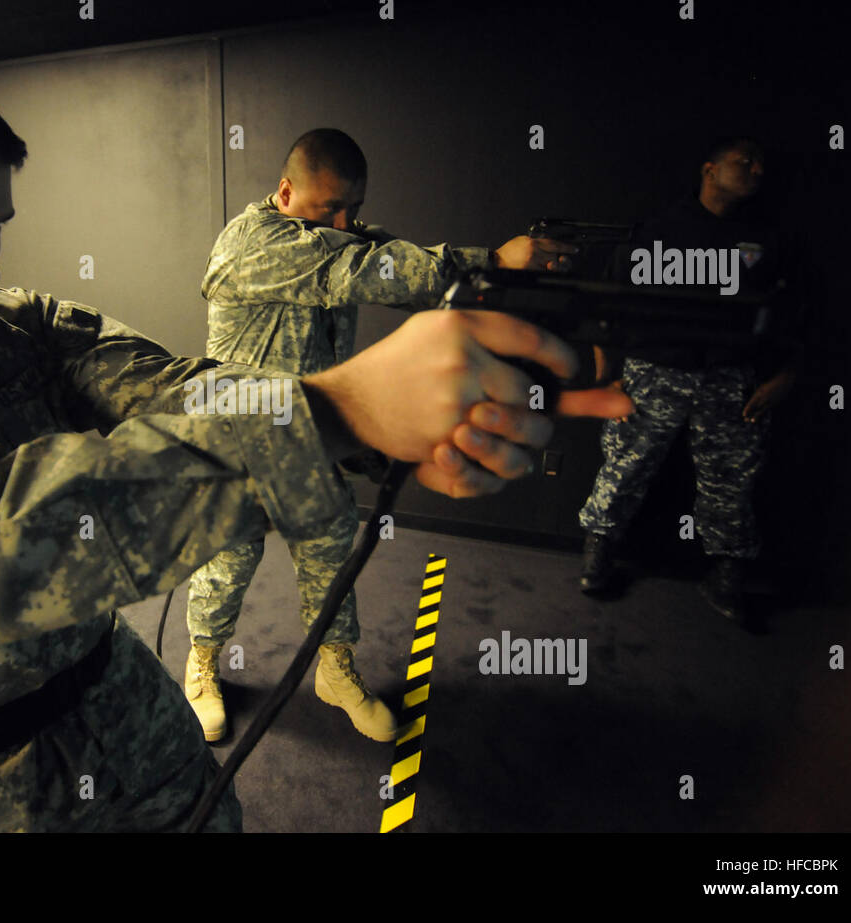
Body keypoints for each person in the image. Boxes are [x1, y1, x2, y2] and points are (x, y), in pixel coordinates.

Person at [0, 29, 630, 832]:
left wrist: (376, 430)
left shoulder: (16, 323)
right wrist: (333, 410)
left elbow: (181, 393)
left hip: (130, 720)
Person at [183, 128, 582, 743]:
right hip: (241, 436)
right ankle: (204, 667)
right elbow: (368, 271)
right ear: (286, 191)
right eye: (329, 208)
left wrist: (494, 272)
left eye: (354, 210)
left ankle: (336, 673)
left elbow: (398, 257)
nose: (345, 221)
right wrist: (495, 260)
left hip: (314, 433)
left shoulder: (336, 235)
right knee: (227, 562)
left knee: (331, 564)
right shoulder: (252, 243)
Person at [577, 137, 801, 621]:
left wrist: (785, 376)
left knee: (731, 482)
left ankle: (727, 575)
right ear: (709, 170)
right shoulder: (657, 232)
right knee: (625, 468)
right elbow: (605, 305)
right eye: (745, 162)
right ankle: (597, 555)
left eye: (762, 164)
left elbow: (795, 318)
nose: (757, 170)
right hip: (654, 372)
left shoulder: (768, 242)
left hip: (730, 379)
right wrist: (604, 378)